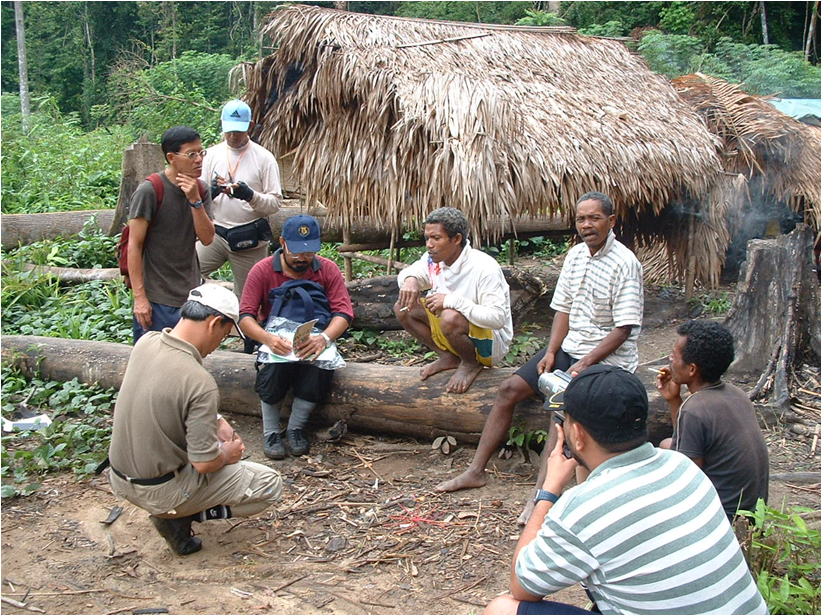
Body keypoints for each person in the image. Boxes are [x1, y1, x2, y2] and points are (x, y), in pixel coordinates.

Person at [485, 365, 768, 616]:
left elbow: (522, 587)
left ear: (578, 435)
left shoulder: (581, 509)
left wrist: (548, 491)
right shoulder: (681, 465)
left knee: (501, 609)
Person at [437, 191, 643, 493]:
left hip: (607, 360)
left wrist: (584, 363)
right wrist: (550, 352)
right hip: (571, 349)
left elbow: (623, 329)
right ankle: (475, 471)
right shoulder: (575, 255)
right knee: (508, 389)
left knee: (558, 409)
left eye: (594, 218)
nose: (586, 225)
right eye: (581, 219)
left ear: (611, 221)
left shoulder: (625, 263)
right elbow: (564, 310)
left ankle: (540, 495)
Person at [108, 284, 282, 556]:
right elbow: (204, 463)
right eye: (224, 335)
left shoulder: (147, 342)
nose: (217, 347)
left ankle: (173, 510)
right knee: (269, 484)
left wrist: (216, 418)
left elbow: (167, 393)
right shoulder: (199, 381)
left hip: (120, 479)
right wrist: (227, 453)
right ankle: (178, 517)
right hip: (160, 492)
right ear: (214, 323)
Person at [239, 214, 353, 459]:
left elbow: (343, 312)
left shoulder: (327, 269)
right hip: (276, 340)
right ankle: (270, 431)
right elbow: (245, 316)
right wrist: (267, 339)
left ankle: (296, 428)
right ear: (282, 242)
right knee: (272, 370)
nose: (302, 258)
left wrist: (324, 338)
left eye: (309, 252)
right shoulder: (262, 270)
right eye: (296, 251)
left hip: (315, 337)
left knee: (320, 367)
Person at [657, 319, 770, 519]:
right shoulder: (736, 394)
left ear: (691, 369)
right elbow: (683, 444)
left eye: (674, 356)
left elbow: (687, 478)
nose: (670, 359)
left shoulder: (695, 409)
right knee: (667, 444)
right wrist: (674, 400)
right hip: (753, 514)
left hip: (723, 520)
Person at [394, 207, 513, 394]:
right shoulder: (434, 259)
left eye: (436, 238)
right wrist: (410, 280)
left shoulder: (483, 267)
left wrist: (451, 301)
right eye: (427, 238)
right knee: (403, 307)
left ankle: (470, 363)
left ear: (456, 239)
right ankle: (448, 357)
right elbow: (411, 272)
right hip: (456, 331)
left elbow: (497, 318)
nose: (429, 245)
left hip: (489, 345)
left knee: (449, 315)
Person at [128, 125, 215, 343]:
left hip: (191, 295)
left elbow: (207, 238)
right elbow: (134, 245)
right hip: (157, 297)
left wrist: (195, 201)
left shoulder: (201, 190)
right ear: (171, 157)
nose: (199, 160)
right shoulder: (150, 191)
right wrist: (140, 298)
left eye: (201, 152)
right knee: (153, 362)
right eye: (191, 154)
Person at [198, 99, 283, 301]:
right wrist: (211, 192)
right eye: (229, 131)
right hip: (215, 234)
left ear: (250, 127)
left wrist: (250, 196)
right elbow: (196, 197)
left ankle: (243, 331)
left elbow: (274, 204)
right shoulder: (210, 154)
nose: (233, 136)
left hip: (249, 237)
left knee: (250, 296)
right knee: (187, 273)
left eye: (239, 130)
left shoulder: (264, 158)